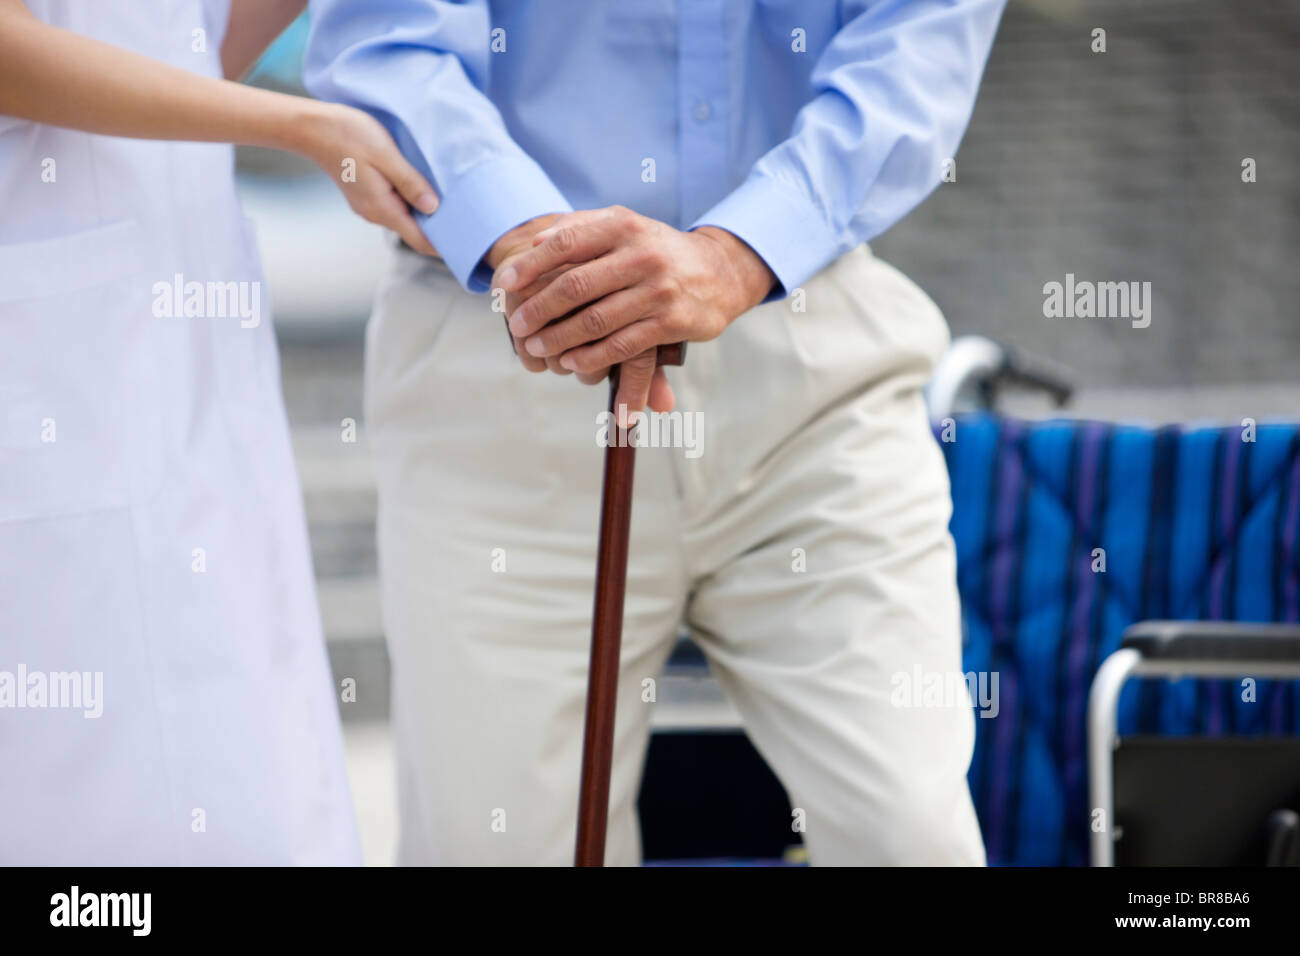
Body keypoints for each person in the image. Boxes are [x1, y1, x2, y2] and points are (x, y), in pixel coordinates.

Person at [306, 0, 1006, 865]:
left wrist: (736, 253)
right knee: (503, 849)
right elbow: (386, 42)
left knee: (910, 839)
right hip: (508, 354)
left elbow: (918, 39)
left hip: (812, 359)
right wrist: (572, 275)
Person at [0, 0, 436, 864]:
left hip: (181, 321)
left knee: (244, 769)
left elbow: (191, 53)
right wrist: (302, 125)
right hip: (59, 349)